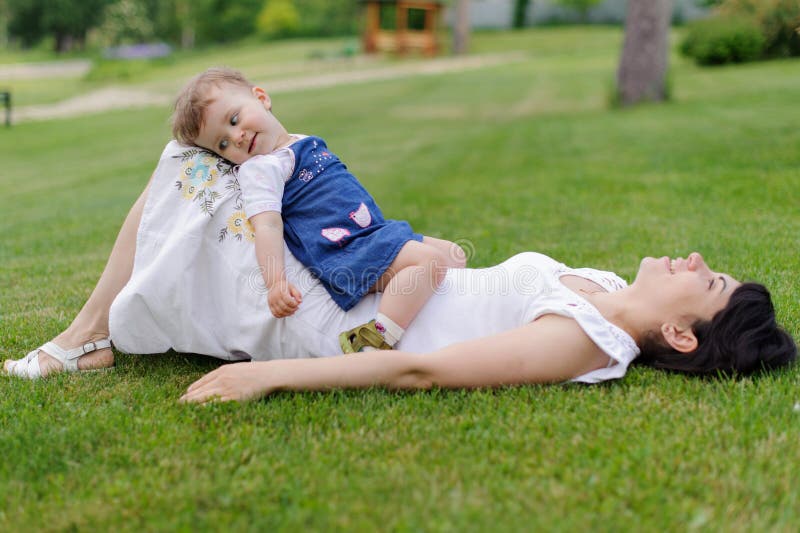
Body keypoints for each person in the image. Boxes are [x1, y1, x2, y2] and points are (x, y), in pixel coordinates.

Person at [4, 124, 796, 391]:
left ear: (685, 335)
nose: (694, 259)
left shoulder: (588, 338)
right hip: (367, 282)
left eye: (710, 279)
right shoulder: (606, 287)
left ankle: (83, 339)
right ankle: (98, 335)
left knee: (194, 164)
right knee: (202, 161)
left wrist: (266, 375)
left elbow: (420, 370)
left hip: (337, 322)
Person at [171, 67, 467, 353]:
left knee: (454, 254)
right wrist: (275, 282)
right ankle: (374, 341)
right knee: (429, 262)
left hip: (374, 233)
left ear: (261, 97)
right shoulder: (262, 169)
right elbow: (267, 225)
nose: (236, 137)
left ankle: (436, 317)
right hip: (345, 252)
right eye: (222, 144)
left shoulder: (300, 142)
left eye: (234, 119)